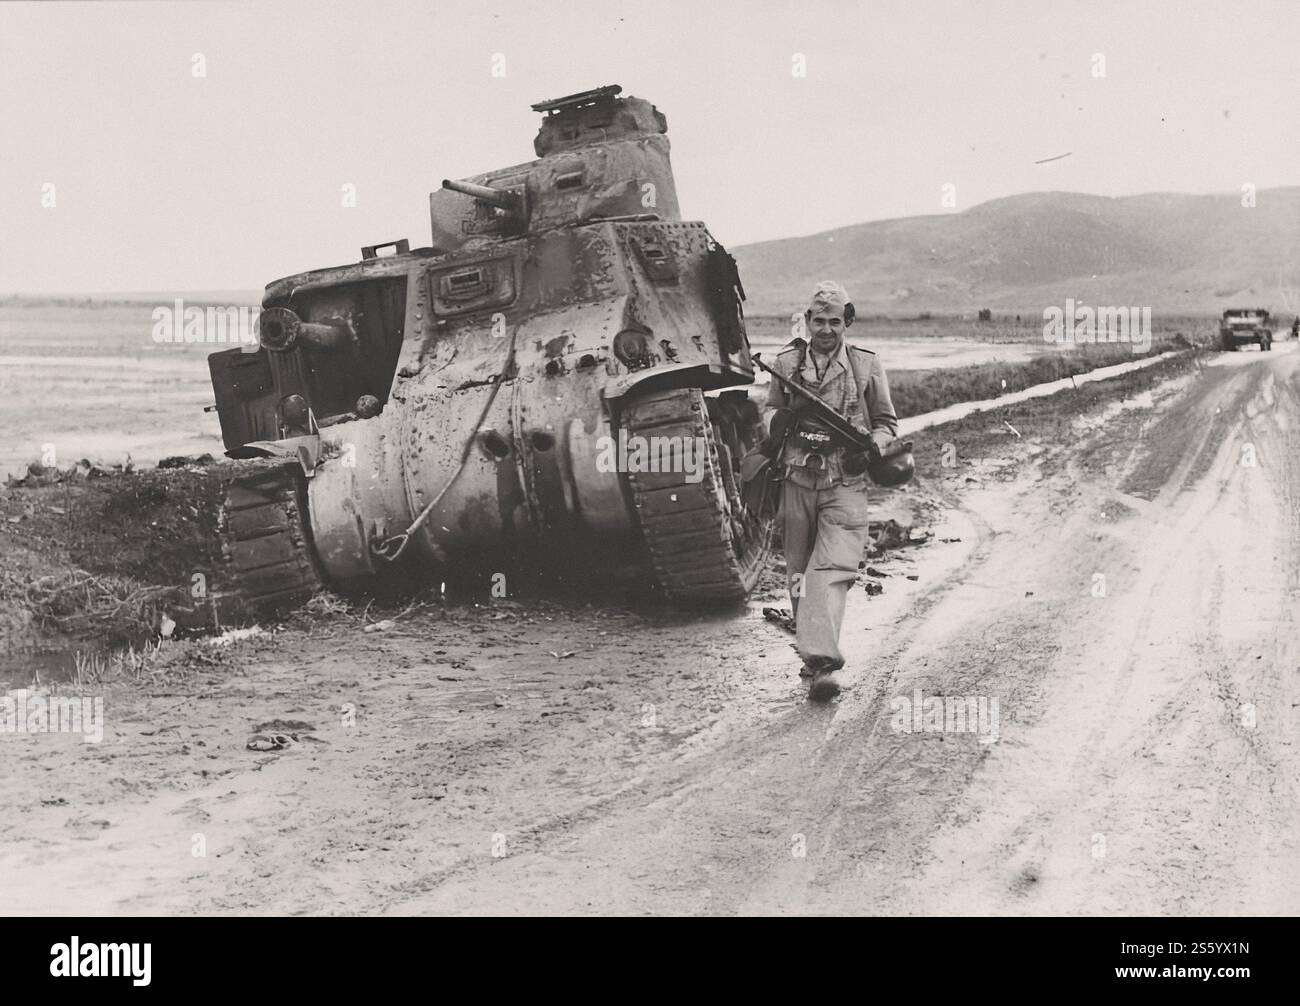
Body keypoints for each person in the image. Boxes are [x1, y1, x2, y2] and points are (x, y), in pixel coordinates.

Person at [763, 281, 898, 700]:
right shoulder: (786, 365)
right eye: (818, 320)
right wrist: (781, 422)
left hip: (846, 482)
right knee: (800, 576)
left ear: (848, 322)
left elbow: (887, 423)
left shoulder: (865, 366)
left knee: (831, 571)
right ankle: (812, 657)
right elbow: (767, 411)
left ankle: (824, 663)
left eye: (834, 321)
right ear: (807, 321)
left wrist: (874, 444)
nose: (825, 329)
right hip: (797, 480)